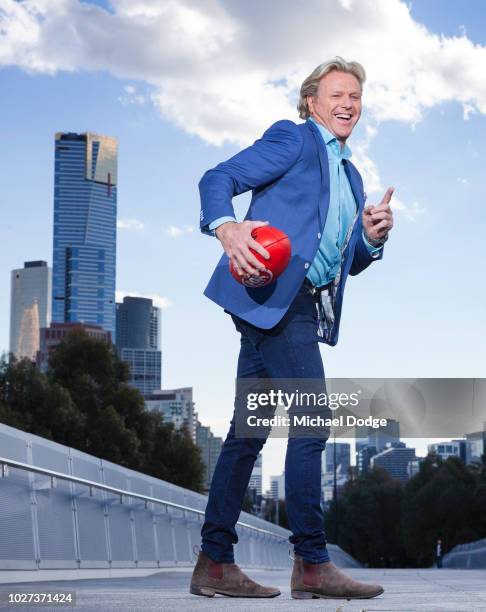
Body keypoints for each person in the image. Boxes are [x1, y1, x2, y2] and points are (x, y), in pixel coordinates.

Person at [190, 57, 394, 600]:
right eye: (337, 93)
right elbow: (219, 177)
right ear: (311, 101)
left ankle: (213, 562)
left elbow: (344, 260)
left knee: (246, 434)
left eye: (356, 95)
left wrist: (371, 237)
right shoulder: (296, 139)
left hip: (280, 306)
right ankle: (311, 562)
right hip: (277, 295)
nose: (348, 102)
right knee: (313, 421)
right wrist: (227, 226)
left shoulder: (351, 175)